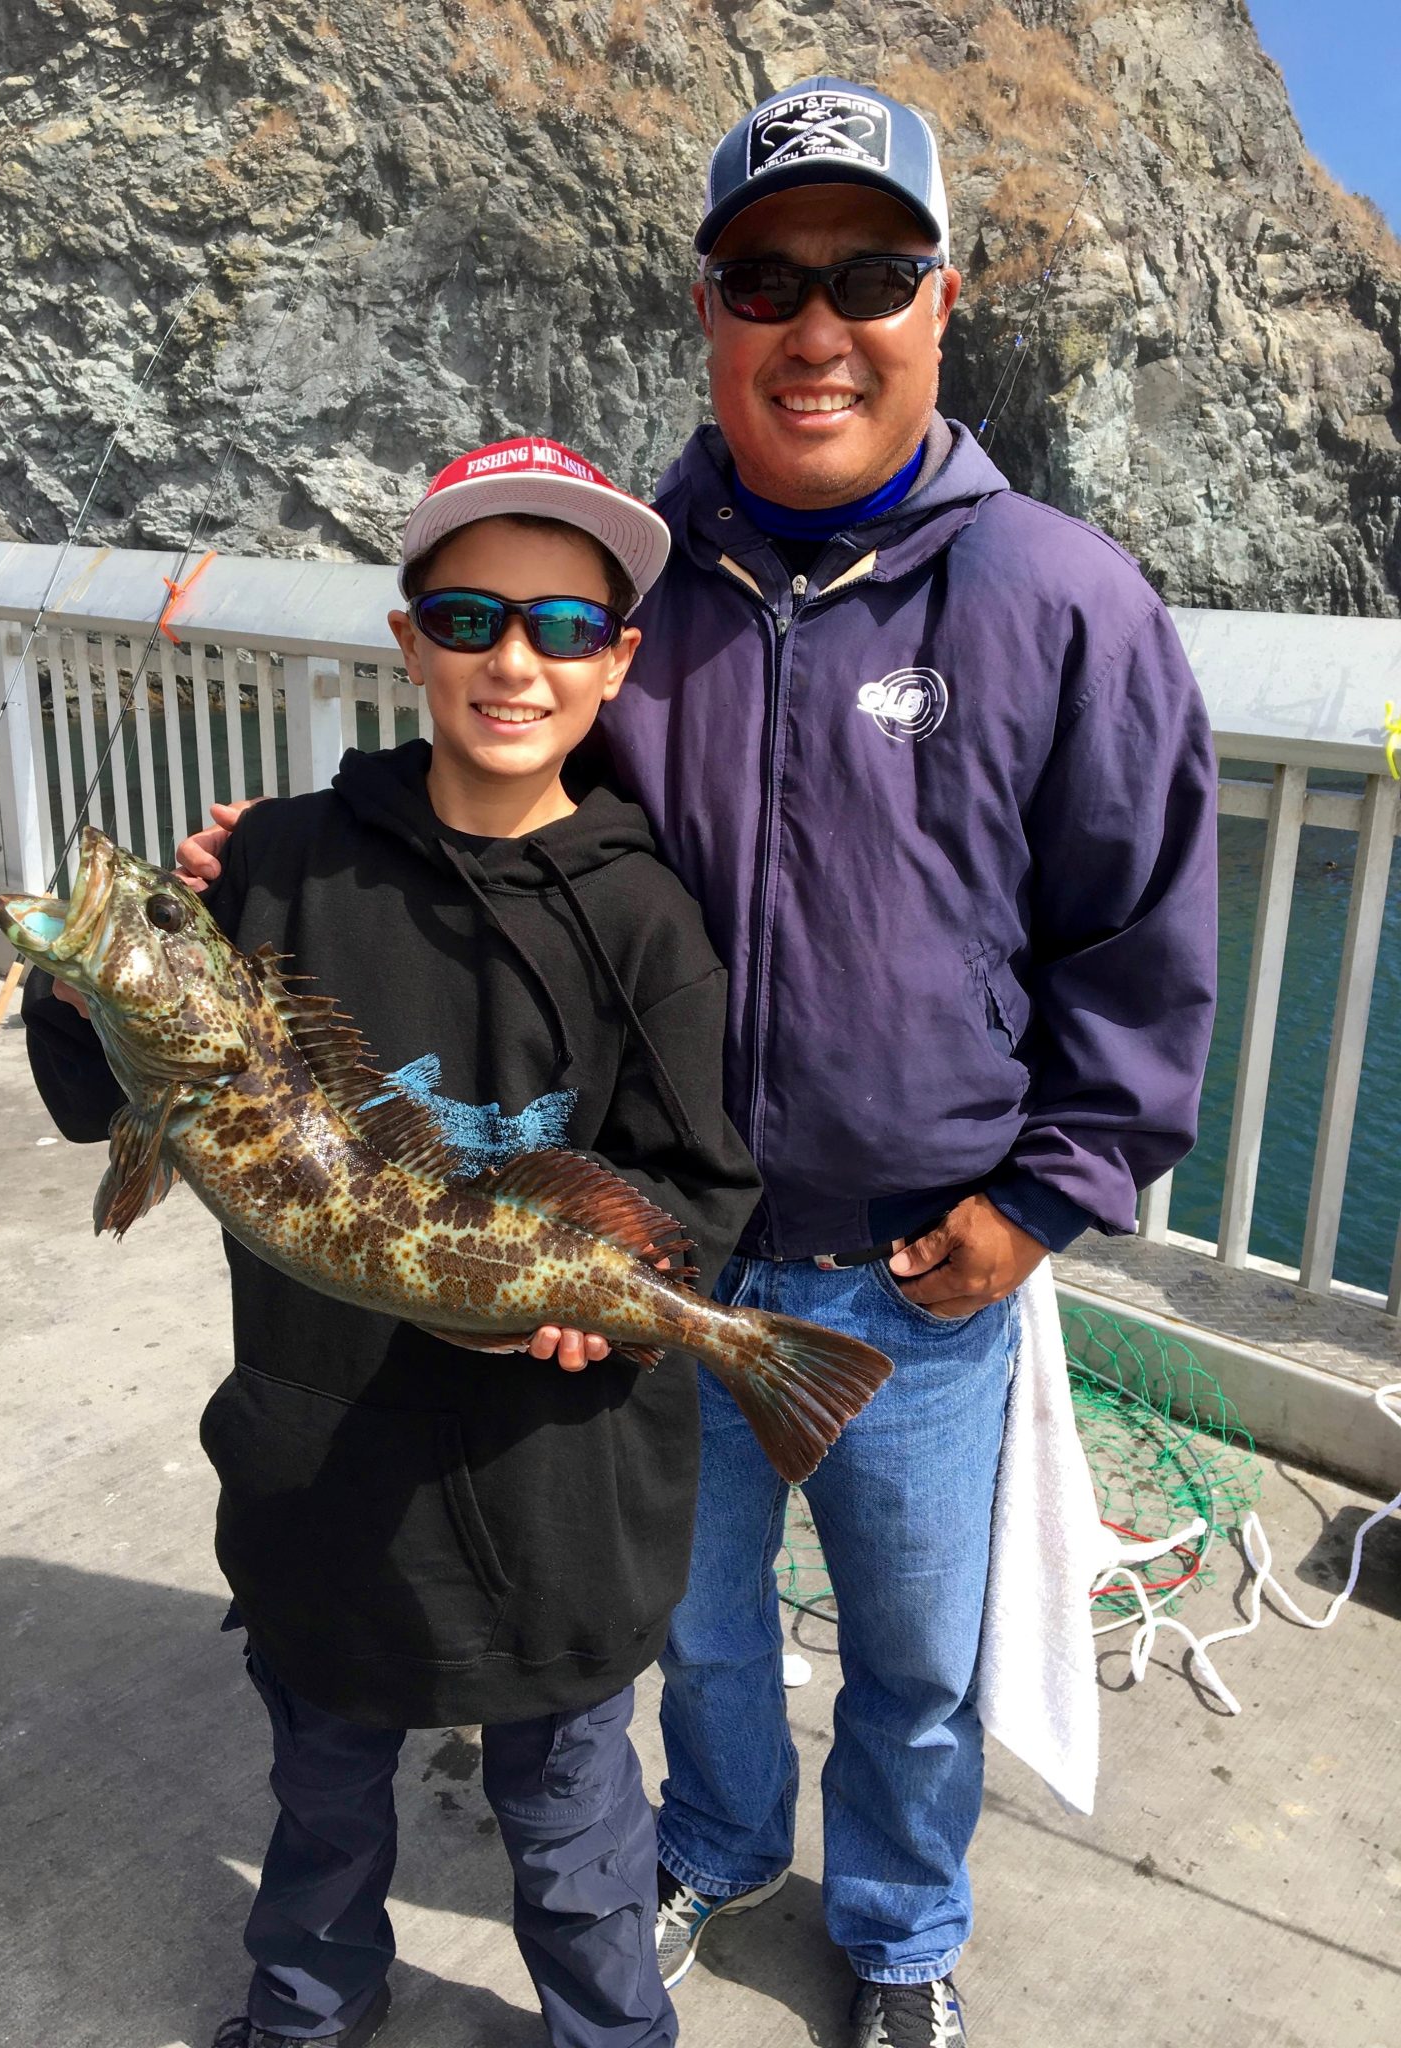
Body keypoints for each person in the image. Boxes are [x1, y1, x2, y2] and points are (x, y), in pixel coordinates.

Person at [180, 77, 1219, 2048]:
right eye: (767, 276)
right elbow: (492, 782)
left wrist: (1044, 1199)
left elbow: (1146, 942)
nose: (817, 323)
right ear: (708, 308)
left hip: (925, 1275)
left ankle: (904, 1928)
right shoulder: (632, 598)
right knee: (698, 1628)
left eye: (869, 272)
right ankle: (721, 1843)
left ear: (942, 298)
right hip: (650, 1261)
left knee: (915, 1659)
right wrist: (276, 866)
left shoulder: (1063, 602)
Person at [20, 437, 766, 2048]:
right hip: (320, 1485)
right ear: (406, 631)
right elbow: (107, 1109)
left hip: (563, 1495)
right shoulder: (277, 861)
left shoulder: (649, 916)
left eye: (568, 627)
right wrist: (81, 991)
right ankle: (305, 2019)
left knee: (575, 1840)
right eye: (471, 614)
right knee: (323, 1810)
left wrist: (624, 1311)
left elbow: (695, 1188)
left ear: (618, 659)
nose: (516, 659)